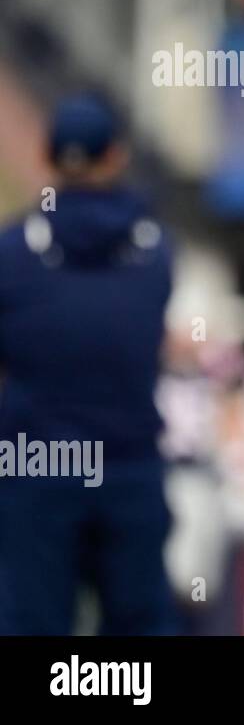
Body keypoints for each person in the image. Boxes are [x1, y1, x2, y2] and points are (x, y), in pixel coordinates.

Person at [0, 93, 176, 634]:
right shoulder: (155, 250)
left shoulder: (13, 252)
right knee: (140, 627)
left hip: (36, 462)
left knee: (32, 621)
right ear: (116, 156)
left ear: (49, 158)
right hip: (129, 460)